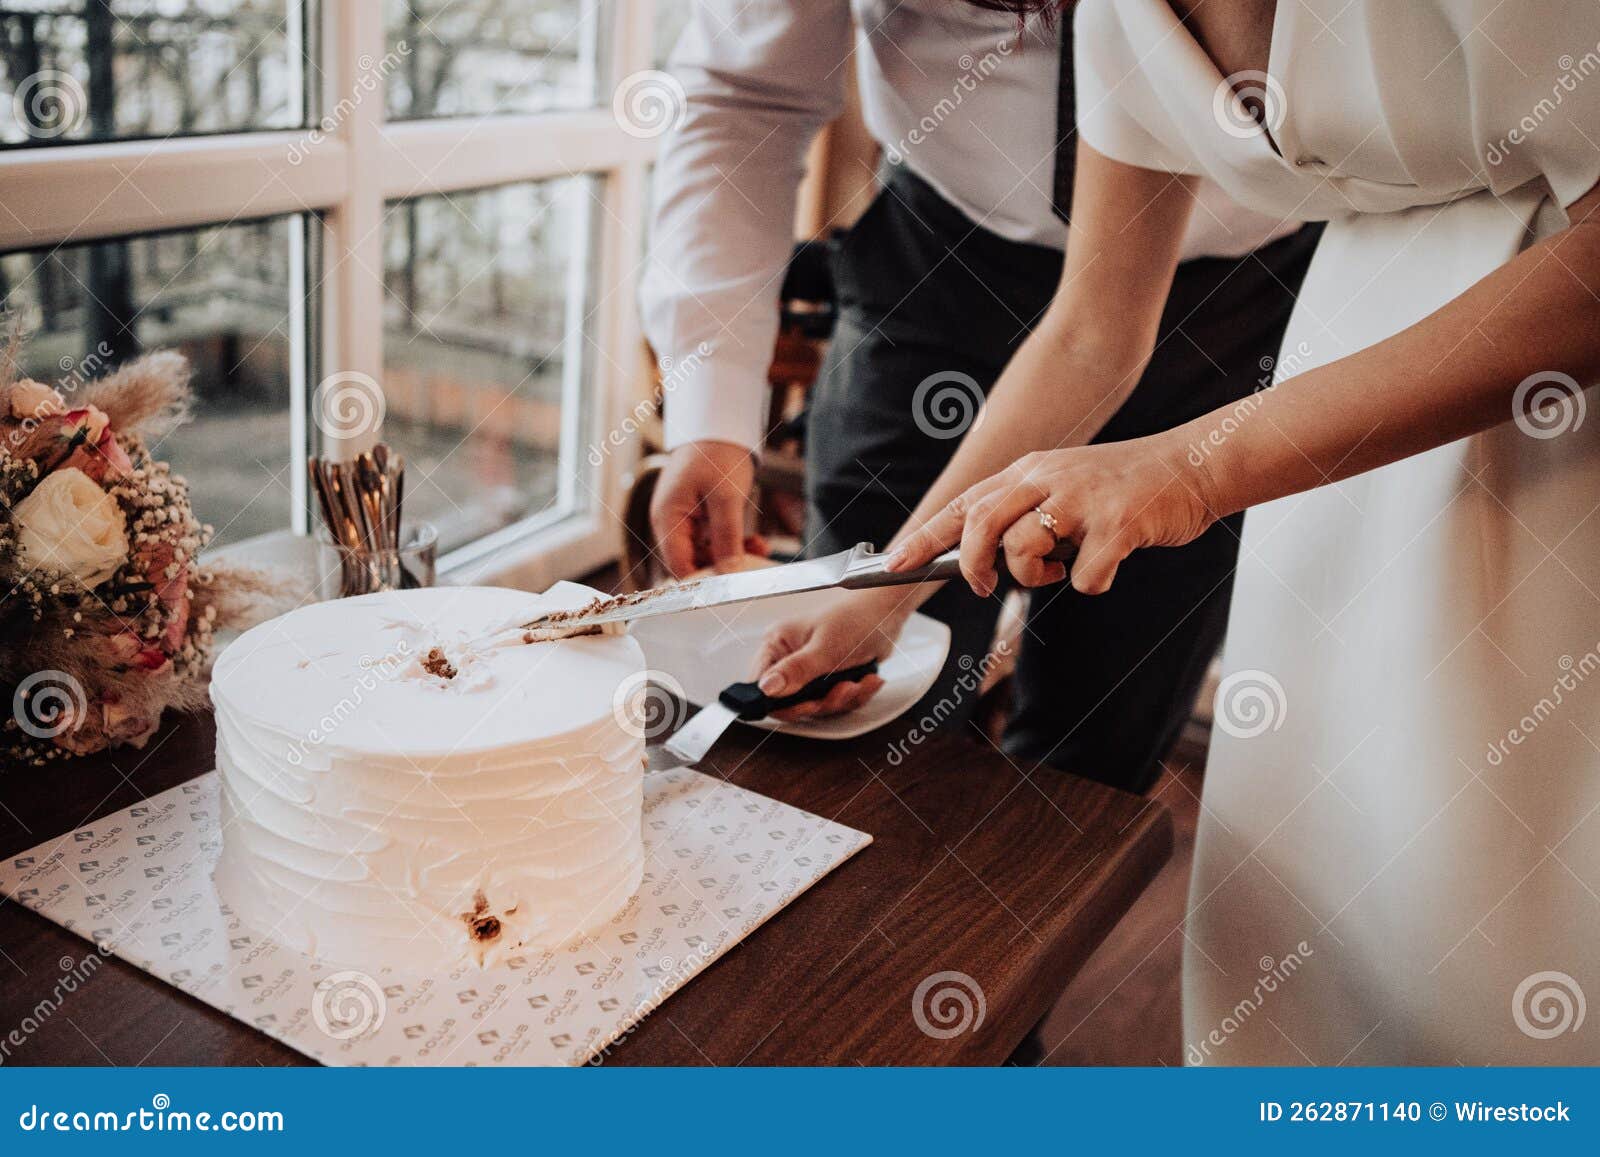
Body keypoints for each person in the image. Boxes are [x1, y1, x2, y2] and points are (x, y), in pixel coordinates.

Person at [763, 0, 1600, 1064]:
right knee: (1329, 924)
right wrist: (882, 595)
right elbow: (1091, 331)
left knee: (1499, 923)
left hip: (1542, 427)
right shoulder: (1115, 21)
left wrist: (1194, 464)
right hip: (1339, 431)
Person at [641, 0, 1321, 791]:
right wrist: (712, 415)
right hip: (938, 263)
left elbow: (1094, 338)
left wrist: (883, 596)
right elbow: (741, 93)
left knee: (1102, 733)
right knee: (843, 711)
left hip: (1231, 295)